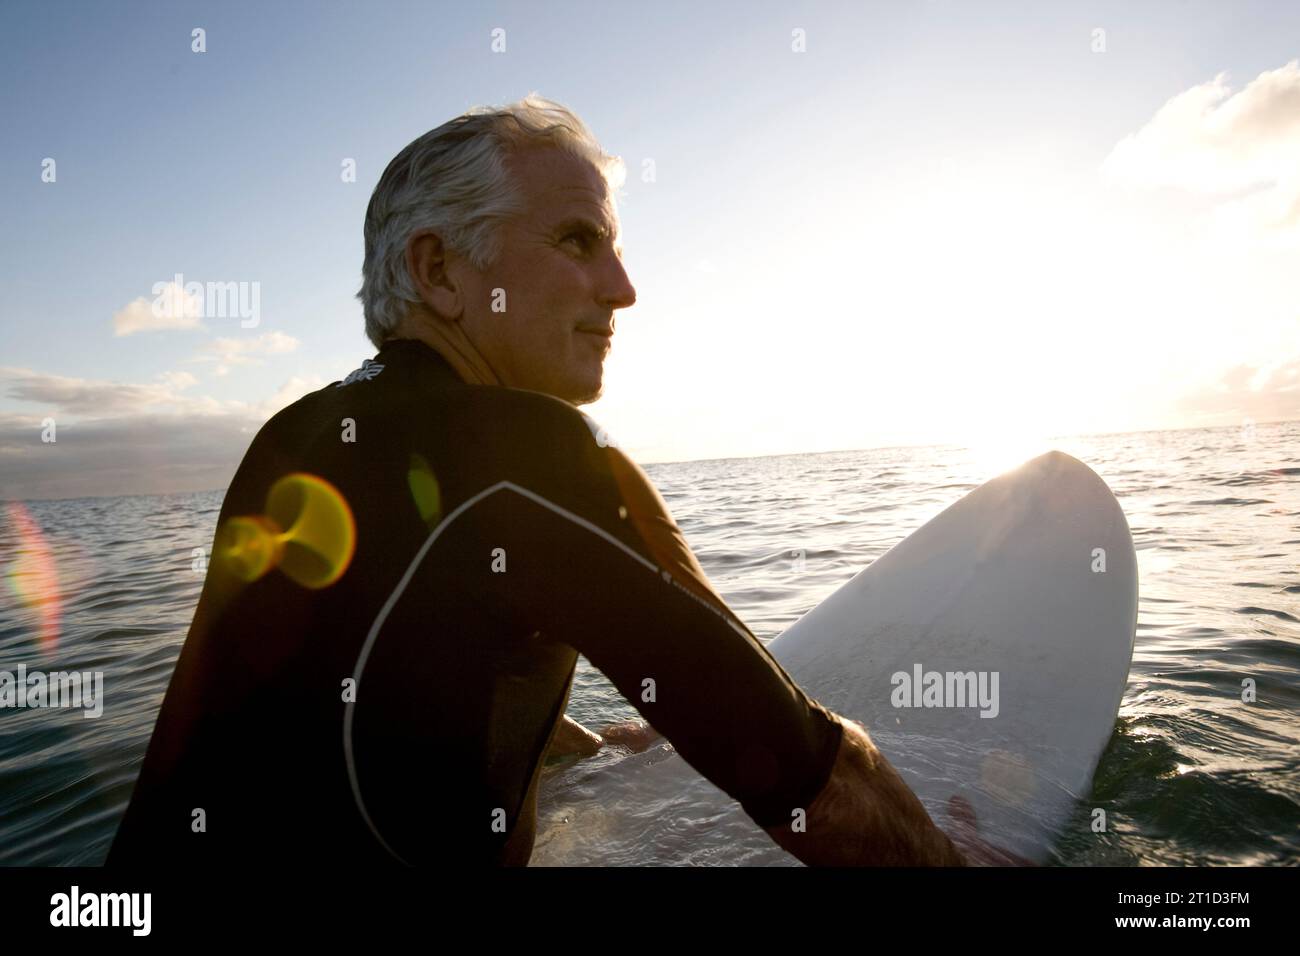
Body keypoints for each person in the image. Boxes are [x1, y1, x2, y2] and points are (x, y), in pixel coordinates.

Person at [109, 94, 978, 867]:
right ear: (439, 271)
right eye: (578, 241)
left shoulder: (295, 440)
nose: (624, 288)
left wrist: (587, 747)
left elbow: (372, 689)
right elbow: (809, 782)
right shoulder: (532, 454)